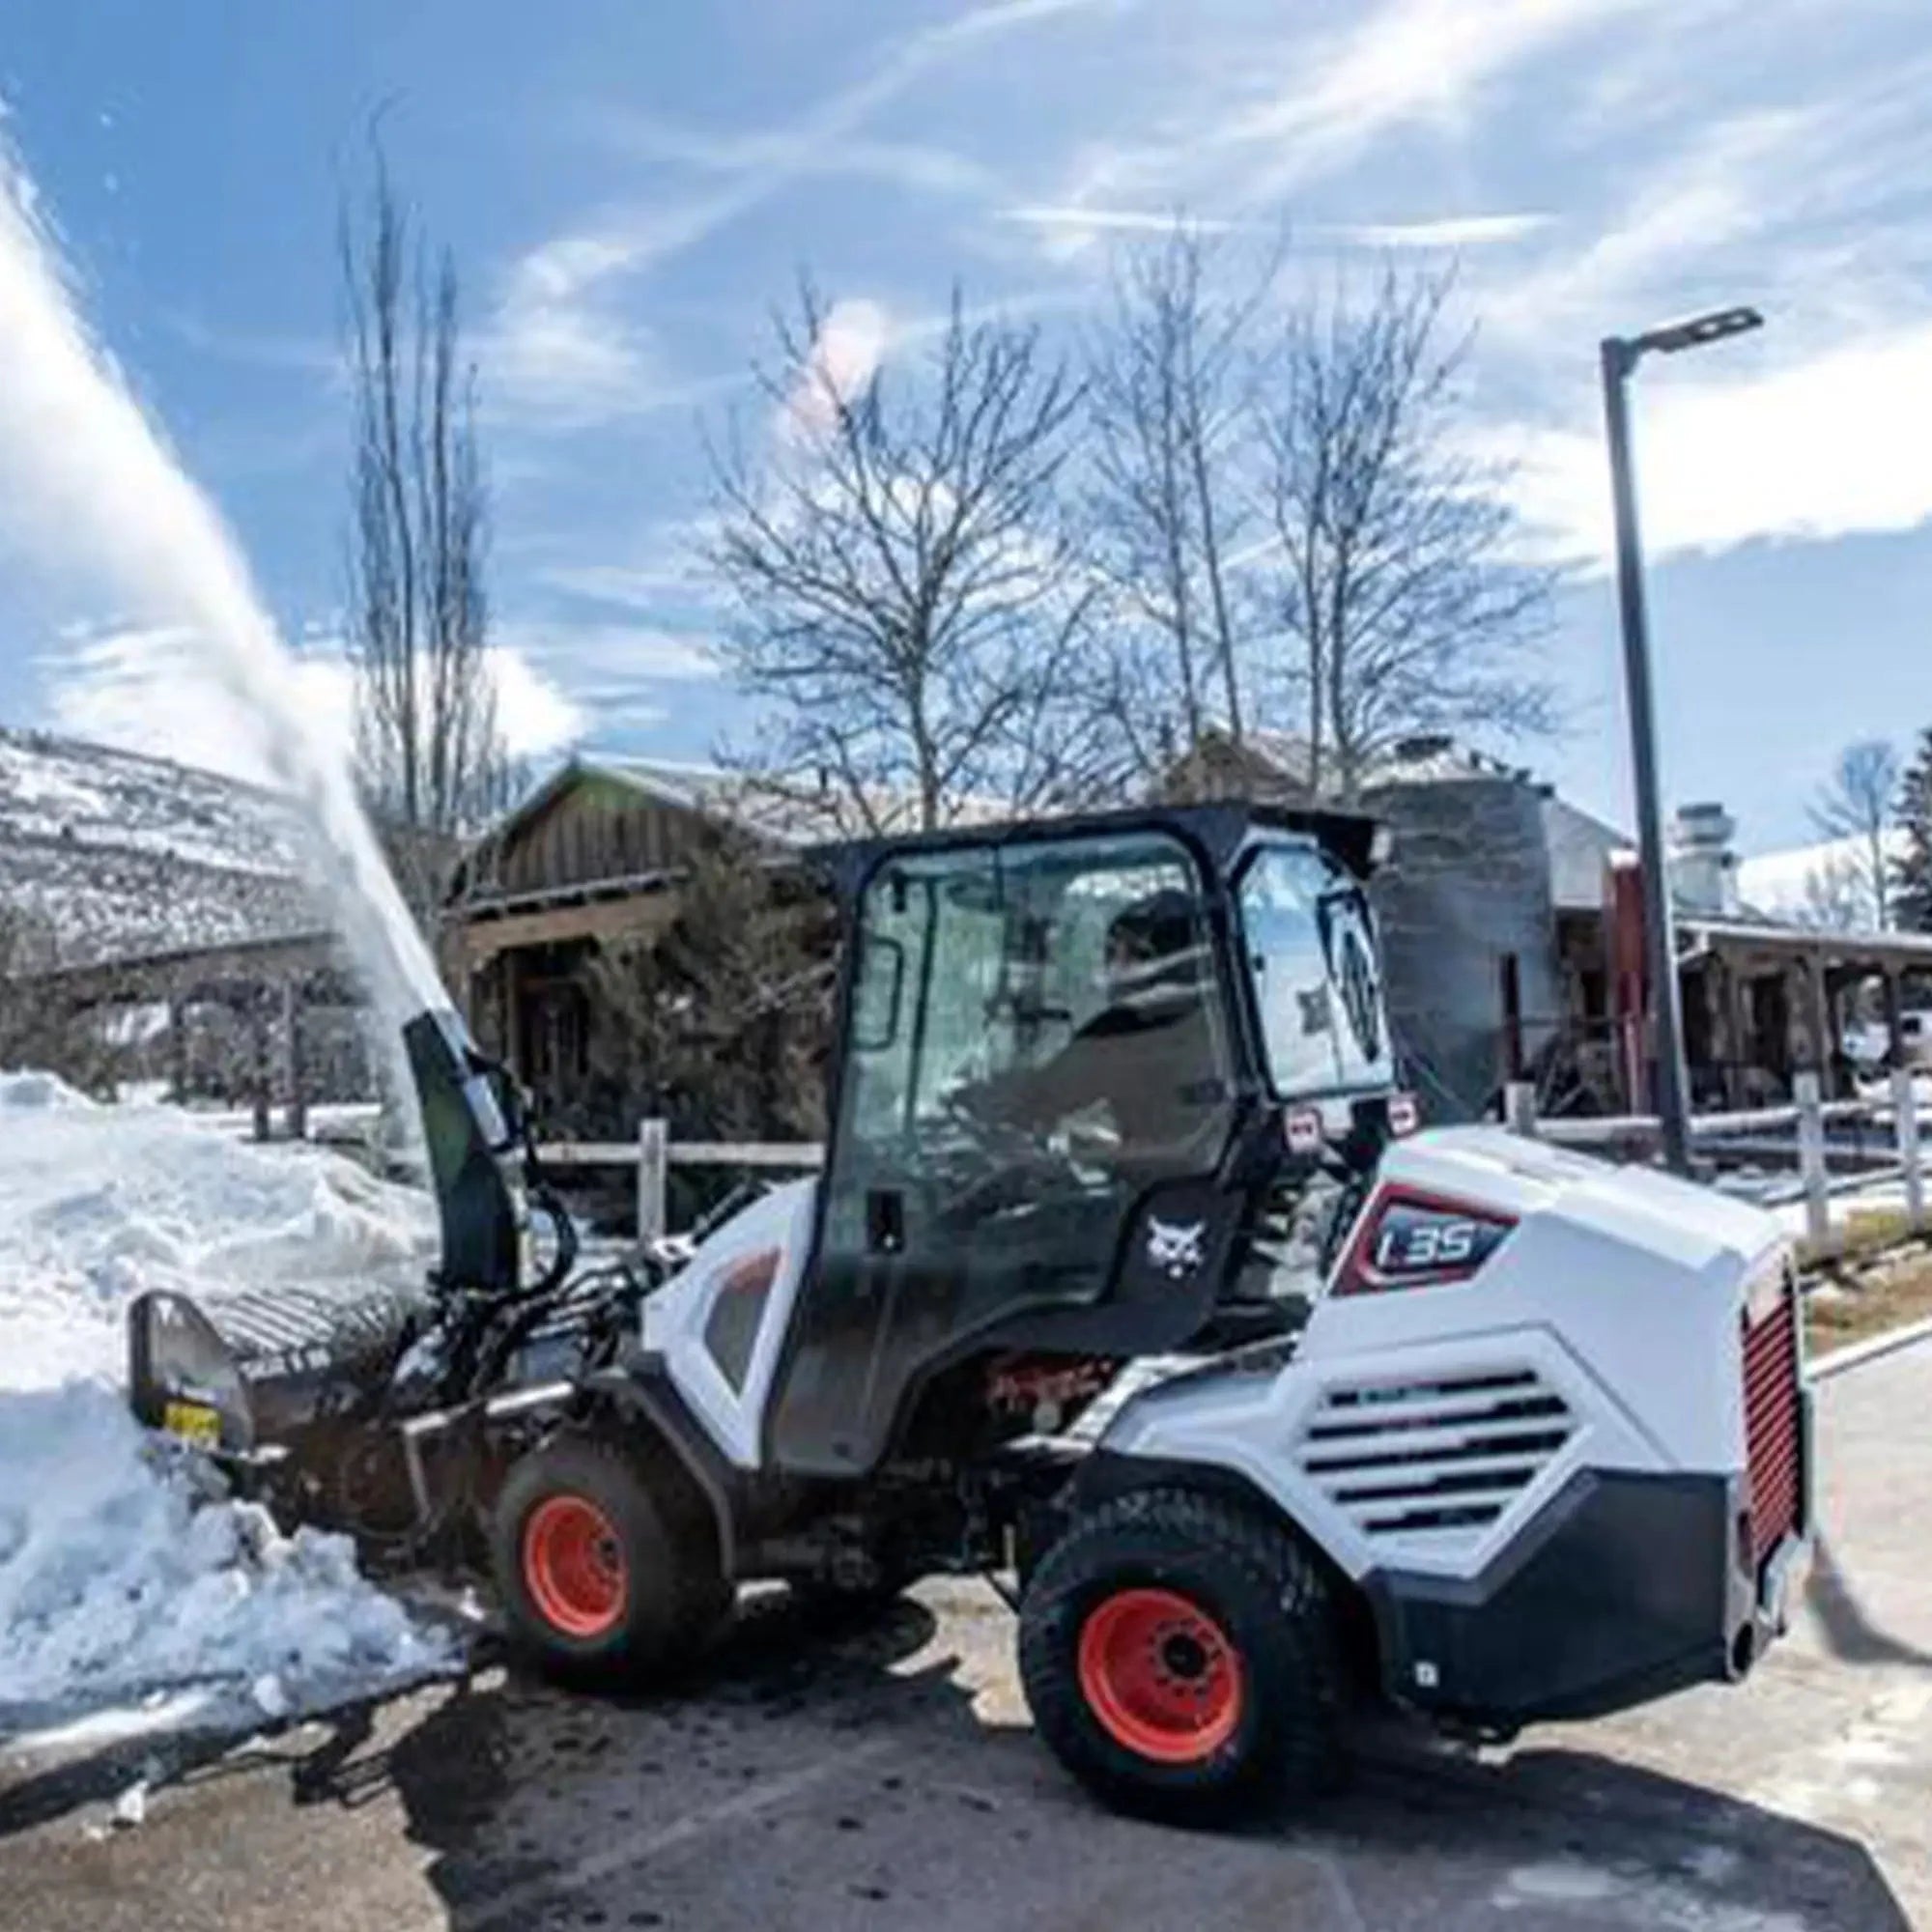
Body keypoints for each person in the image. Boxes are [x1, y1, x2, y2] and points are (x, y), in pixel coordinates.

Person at [963, 889, 1225, 1158]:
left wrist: (980, 1098)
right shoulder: (1226, 1027)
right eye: (1111, 951)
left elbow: (1038, 1098)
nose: (1116, 968)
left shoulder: (1123, 1036)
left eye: (1140, 955)